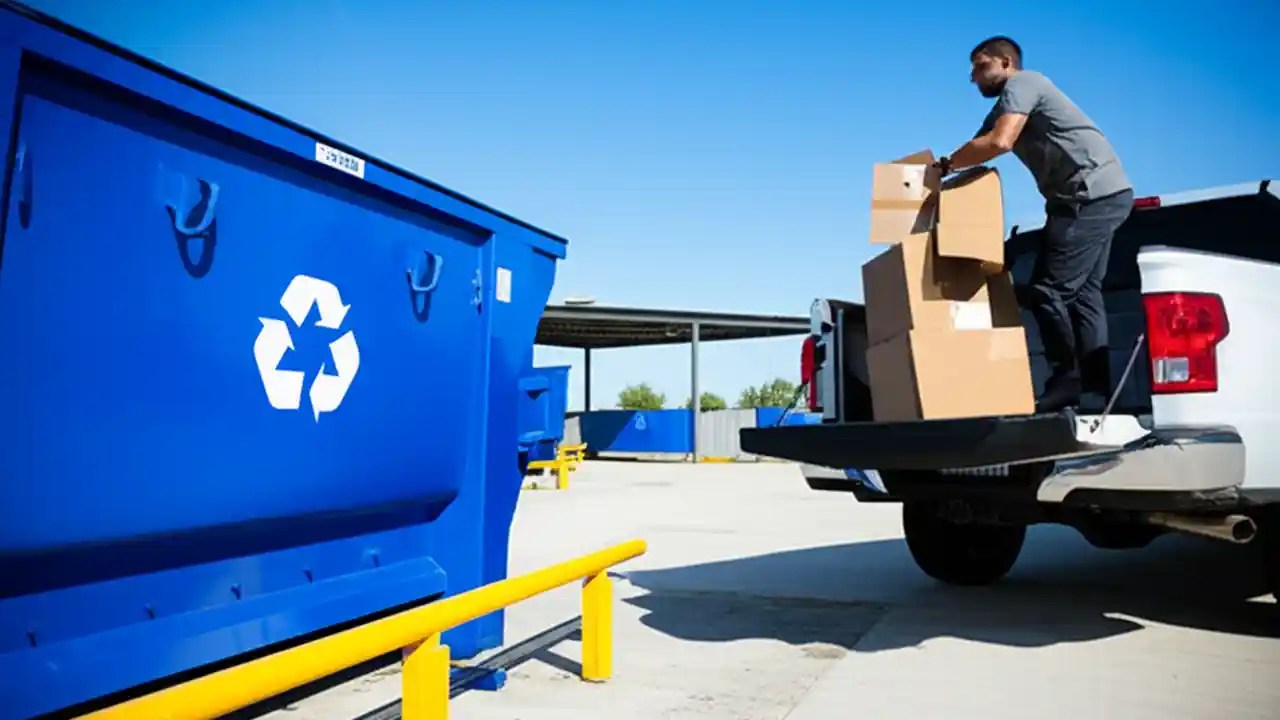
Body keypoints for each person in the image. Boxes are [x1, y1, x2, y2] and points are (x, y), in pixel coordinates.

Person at [936, 36, 1134, 413]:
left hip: (1089, 196)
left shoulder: (1025, 84)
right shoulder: (1005, 105)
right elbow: (976, 146)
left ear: (1006, 63)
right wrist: (940, 172)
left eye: (980, 66)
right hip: (1095, 197)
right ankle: (1096, 390)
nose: (973, 77)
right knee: (1084, 296)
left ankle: (1066, 383)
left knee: (1049, 291)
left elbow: (1000, 141)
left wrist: (944, 167)